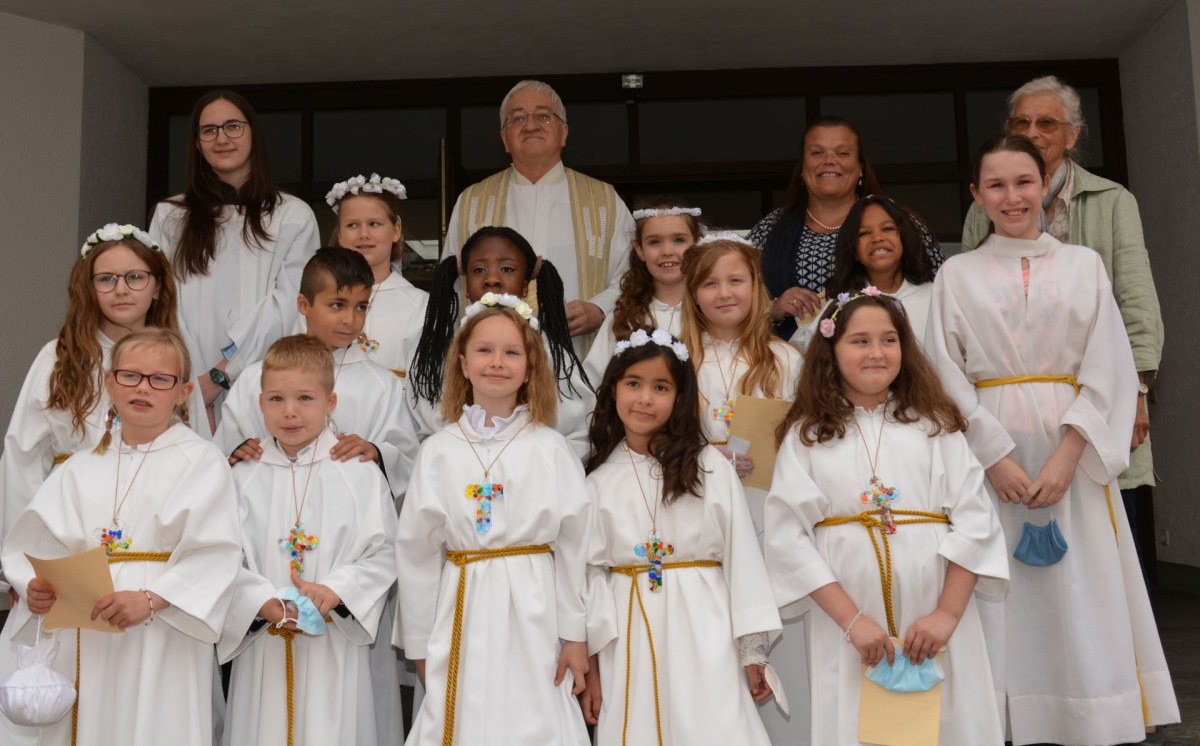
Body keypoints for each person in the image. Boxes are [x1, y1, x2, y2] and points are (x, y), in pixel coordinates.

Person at [926, 134, 1178, 744]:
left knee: (1082, 588)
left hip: (1073, 453)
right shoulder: (956, 274)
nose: (1012, 197)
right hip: (990, 456)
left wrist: (1070, 454)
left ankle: (1087, 713)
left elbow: (1109, 364)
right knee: (997, 585)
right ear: (976, 195)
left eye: (1024, 182)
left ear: (1046, 187)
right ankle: (1004, 716)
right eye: (996, 185)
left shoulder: (1084, 265)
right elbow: (942, 372)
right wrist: (994, 457)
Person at [765, 289, 1008, 745]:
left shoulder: (935, 425)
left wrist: (946, 615)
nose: (876, 352)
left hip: (936, 620)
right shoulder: (807, 436)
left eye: (889, 340)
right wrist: (852, 622)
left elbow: (977, 521)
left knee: (948, 725)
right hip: (850, 629)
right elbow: (788, 539)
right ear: (830, 350)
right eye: (860, 341)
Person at [0, 327, 241, 746]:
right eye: (130, 375)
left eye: (159, 379)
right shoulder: (77, 468)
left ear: (183, 392)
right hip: (87, 630)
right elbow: (36, 546)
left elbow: (216, 553)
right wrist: (36, 587)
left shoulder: (201, 462)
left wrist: (150, 599)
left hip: (161, 631)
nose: (143, 388)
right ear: (110, 384)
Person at [959, 75, 1164, 547]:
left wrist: (1135, 391)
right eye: (1021, 122)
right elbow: (972, 301)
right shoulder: (982, 212)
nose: (1032, 132)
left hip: (1095, 392)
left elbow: (1134, 299)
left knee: (1103, 531)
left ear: (1073, 135)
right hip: (1006, 407)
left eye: (1047, 123)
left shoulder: (1112, 200)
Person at [395, 298, 591, 745]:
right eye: (484, 350)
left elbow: (575, 547)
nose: (497, 362)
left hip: (535, 609)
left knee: (535, 714)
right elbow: (416, 555)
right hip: (462, 606)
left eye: (511, 352)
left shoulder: (551, 448)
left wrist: (574, 635)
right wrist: (420, 642)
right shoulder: (438, 450)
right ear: (463, 364)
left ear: (531, 368)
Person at [580, 328, 781, 745]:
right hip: (629, 632)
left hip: (704, 624)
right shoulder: (595, 481)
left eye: (661, 387)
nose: (645, 398)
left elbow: (743, 557)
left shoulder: (709, 467)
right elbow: (590, 579)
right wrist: (594, 667)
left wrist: (752, 650)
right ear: (613, 390)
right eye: (633, 383)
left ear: (680, 397)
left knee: (714, 724)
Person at [0, 224, 204, 586]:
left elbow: (200, 450)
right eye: (106, 279)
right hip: (68, 526)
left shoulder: (176, 359)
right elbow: (22, 459)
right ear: (89, 288)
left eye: (135, 277)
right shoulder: (58, 357)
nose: (121, 289)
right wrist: (22, 568)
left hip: (152, 532)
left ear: (158, 287)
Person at [220, 335, 398, 746]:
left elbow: (386, 551)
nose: (290, 412)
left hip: (331, 642)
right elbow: (222, 556)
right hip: (264, 642)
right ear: (260, 403)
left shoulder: (357, 472)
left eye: (304, 398)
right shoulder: (243, 475)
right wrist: (258, 600)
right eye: (276, 399)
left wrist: (336, 590)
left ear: (329, 402)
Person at [150, 89, 320, 431]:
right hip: (183, 382)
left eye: (233, 126)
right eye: (209, 130)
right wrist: (189, 379)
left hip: (262, 380)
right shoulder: (170, 217)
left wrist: (222, 374)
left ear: (253, 134)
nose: (222, 138)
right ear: (197, 144)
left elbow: (290, 305)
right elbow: (162, 300)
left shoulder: (292, 215)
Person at [215, 247, 419, 501]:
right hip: (268, 506)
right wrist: (237, 453)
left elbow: (407, 463)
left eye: (361, 307)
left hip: (346, 509)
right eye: (337, 305)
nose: (350, 319)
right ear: (303, 304)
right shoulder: (255, 378)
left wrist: (376, 452)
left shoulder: (382, 385)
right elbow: (220, 457)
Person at [443, 79, 634, 345]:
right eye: (517, 118)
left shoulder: (603, 200)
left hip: (579, 352)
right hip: (494, 353)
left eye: (543, 116)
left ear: (564, 132)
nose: (530, 125)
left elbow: (631, 273)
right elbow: (449, 285)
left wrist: (600, 309)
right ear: (504, 138)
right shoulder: (472, 202)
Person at [747, 116, 944, 340]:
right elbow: (730, 295)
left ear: (860, 168)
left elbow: (944, 293)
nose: (829, 160)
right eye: (817, 153)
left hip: (893, 351)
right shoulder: (770, 228)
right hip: (790, 355)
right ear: (802, 168)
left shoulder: (901, 222)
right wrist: (772, 308)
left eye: (842, 153)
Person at [407, 226, 594, 456]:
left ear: (525, 286)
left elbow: (577, 431)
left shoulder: (549, 352)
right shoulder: (438, 352)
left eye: (507, 269)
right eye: (479, 270)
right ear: (466, 287)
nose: (492, 279)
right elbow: (424, 427)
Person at [680, 233, 803, 519]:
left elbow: (804, 433)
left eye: (735, 281)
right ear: (694, 294)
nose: (724, 293)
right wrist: (705, 458)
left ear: (755, 285)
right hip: (698, 499)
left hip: (768, 501)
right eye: (710, 283)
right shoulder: (678, 360)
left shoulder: (785, 359)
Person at [790, 195, 935, 351]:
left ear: (905, 239)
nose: (877, 238)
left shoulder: (934, 296)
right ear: (854, 251)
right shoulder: (843, 303)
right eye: (864, 233)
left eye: (887, 229)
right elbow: (804, 351)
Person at [324, 173, 429, 378]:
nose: (363, 234)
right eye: (352, 225)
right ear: (340, 235)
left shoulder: (421, 306)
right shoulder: (319, 297)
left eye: (374, 224)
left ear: (396, 230)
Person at [582, 204, 702, 383]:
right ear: (639, 250)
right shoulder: (625, 318)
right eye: (654, 242)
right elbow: (592, 382)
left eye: (678, 240)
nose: (667, 251)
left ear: (696, 244)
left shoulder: (712, 312)